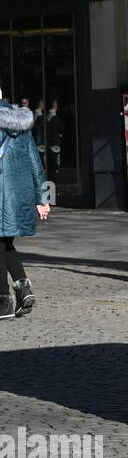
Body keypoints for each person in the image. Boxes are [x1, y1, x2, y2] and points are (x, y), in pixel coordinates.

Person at [0, 88, 50, 318]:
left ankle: (3, 301)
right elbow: (34, 161)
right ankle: (23, 288)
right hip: (18, 194)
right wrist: (43, 199)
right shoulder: (20, 122)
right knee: (5, 243)